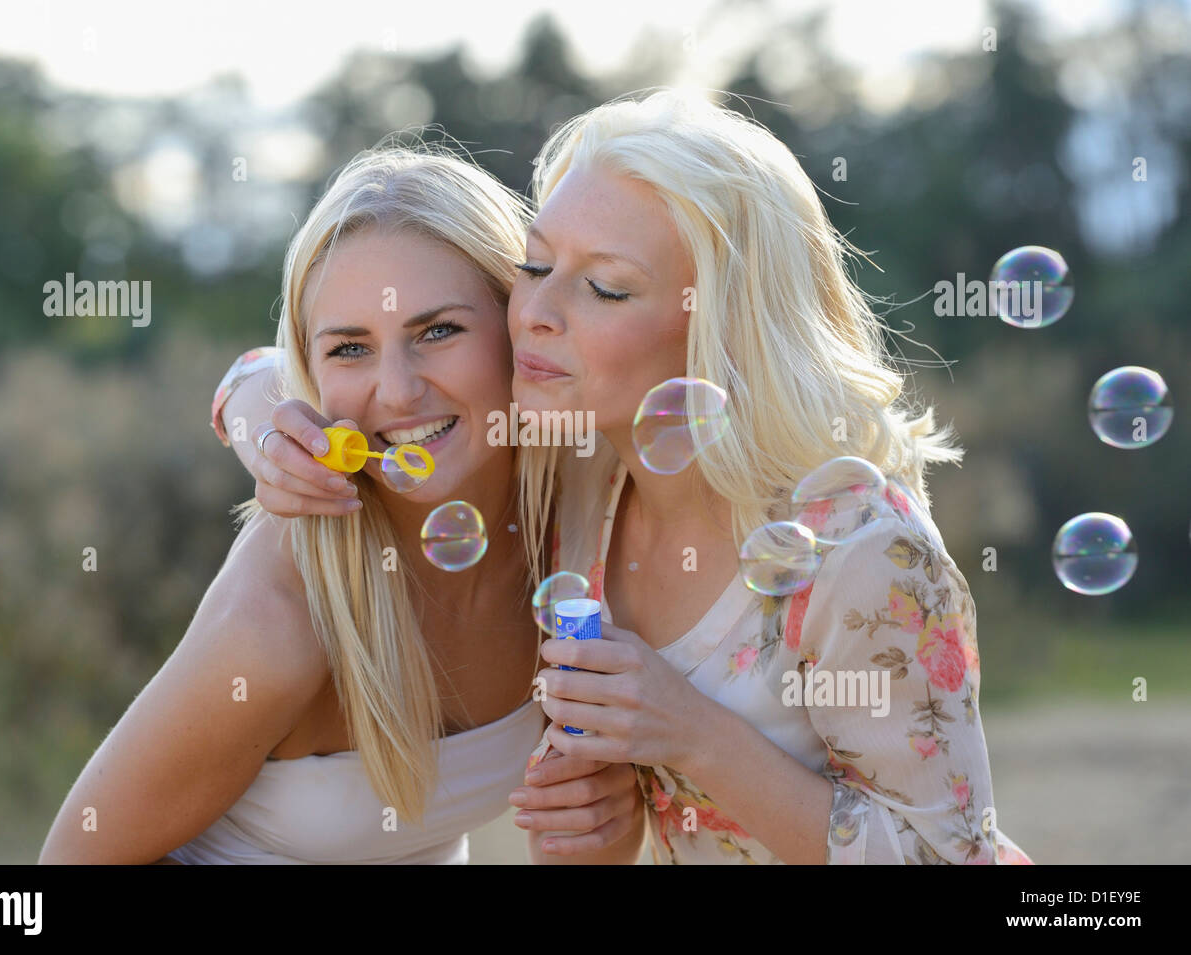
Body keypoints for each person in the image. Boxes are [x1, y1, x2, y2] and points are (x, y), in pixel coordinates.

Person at [242, 89, 1034, 864]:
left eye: (605, 287)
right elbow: (281, 370)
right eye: (537, 265)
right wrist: (271, 437)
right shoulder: (583, 480)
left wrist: (690, 732)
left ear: (722, 325)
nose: (534, 312)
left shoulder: (861, 552)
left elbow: (945, 857)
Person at [38, 142, 643, 865]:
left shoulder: (581, 535)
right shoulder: (278, 623)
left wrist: (608, 823)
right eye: (350, 349)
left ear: (518, 324)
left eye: (438, 331)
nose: (398, 391)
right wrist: (253, 407)